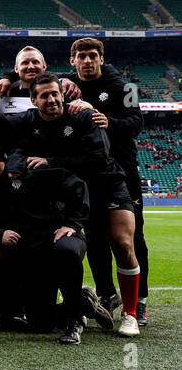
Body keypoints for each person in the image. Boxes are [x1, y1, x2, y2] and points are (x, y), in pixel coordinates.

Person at [11, 72, 140, 336]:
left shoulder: (83, 116)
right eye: (44, 95)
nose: (51, 99)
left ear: (63, 94)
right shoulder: (27, 121)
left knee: (123, 243)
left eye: (54, 93)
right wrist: (14, 167)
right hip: (73, 194)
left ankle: (131, 313)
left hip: (105, 185)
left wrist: (50, 161)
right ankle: (81, 302)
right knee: (39, 324)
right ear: (33, 100)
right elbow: (14, 148)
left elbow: (98, 160)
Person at [0, 137, 91, 344]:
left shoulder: (27, 169)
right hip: (29, 253)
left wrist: (72, 224)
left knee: (66, 250)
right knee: (40, 325)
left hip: (58, 238)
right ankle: (82, 301)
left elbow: (77, 186)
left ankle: (73, 320)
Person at [63, 37, 148, 323]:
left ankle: (141, 300)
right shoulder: (68, 88)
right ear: (72, 61)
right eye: (81, 56)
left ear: (101, 58)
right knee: (96, 239)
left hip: (122, 173)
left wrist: (108, 121)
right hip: (87, 176)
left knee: (131, 239)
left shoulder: (125, 88)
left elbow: (136, 123)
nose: (87, 61)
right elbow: (31, 77)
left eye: (92, 56)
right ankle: (107, 294)